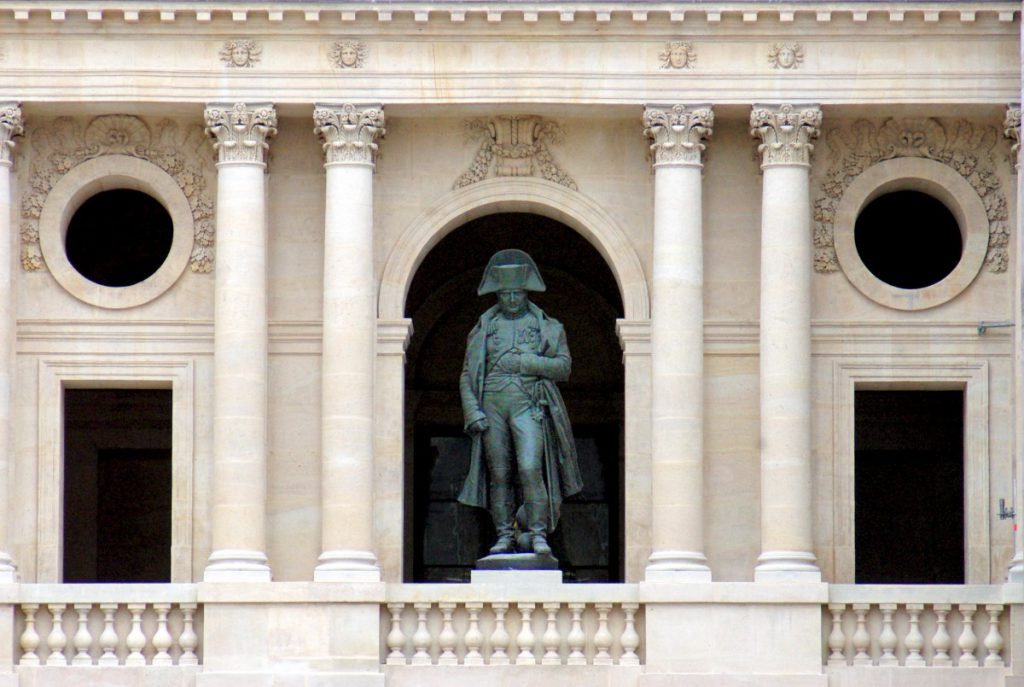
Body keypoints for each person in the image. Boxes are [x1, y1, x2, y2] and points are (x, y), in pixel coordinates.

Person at [458, 249, 583, 557]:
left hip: (528, 402)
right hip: (492, 402)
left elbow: (563, 367)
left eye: (517, 293)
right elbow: (467, 373)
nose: (512, 299)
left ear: (526, 292)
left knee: (530, 467)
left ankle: (538, 532)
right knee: (499, 472)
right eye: (505, 294)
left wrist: (527, 361)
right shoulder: (484, 327)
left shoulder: (548, 327)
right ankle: (503, 534)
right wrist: (472, 410)